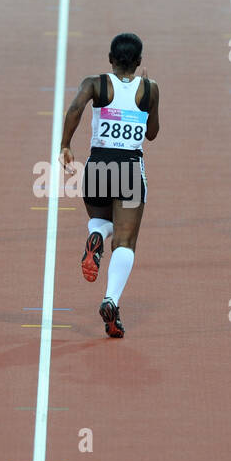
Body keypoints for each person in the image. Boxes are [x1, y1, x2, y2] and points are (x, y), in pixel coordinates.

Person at [60, 33, 160, 338]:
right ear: (139, 61)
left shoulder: (95, 83)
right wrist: (148, 101)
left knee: (101, 219)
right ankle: (111, 299)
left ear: (110, 59)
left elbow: (76, 109)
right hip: (129, 167)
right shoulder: (150, 89)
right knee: (126, 242)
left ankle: (94, 237)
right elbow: (153, 133)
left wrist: (65, 145)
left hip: (98, 166)